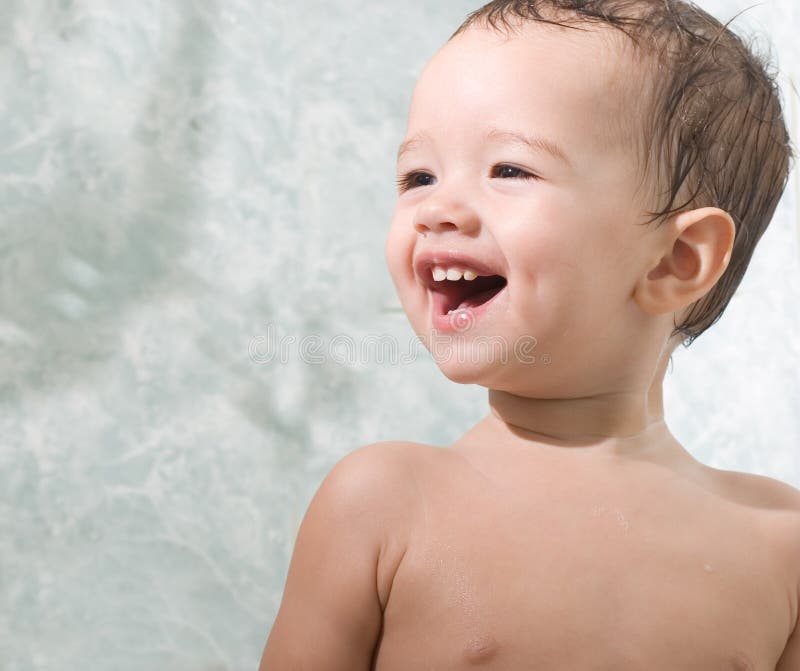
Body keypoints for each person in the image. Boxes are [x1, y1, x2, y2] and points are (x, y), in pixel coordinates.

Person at [260, 1, 799, 668]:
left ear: (674, 260)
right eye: (418, 176)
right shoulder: (383, 505)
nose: (437, 208)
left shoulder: (781, 548)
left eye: (509, 169)